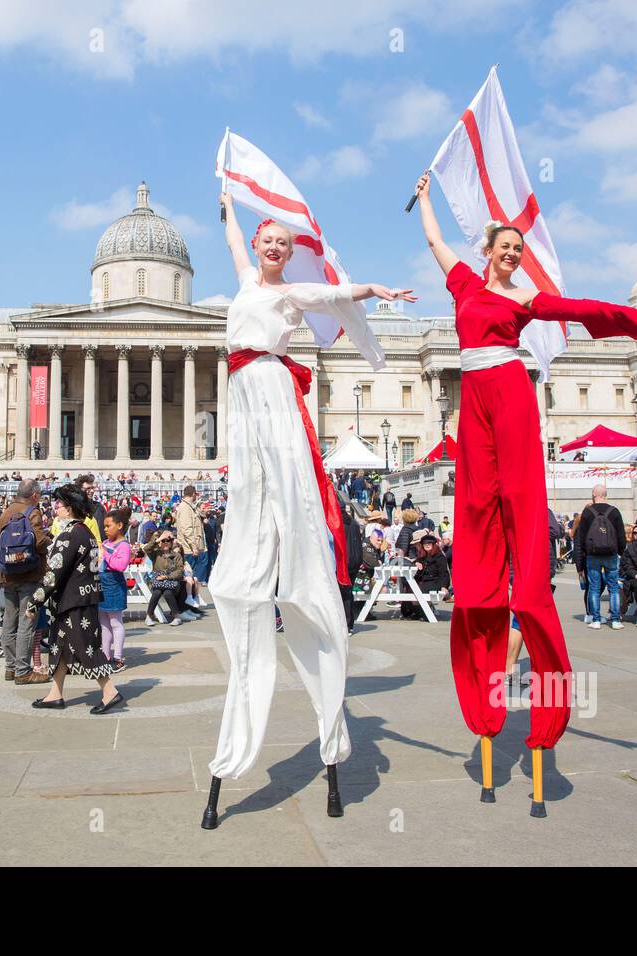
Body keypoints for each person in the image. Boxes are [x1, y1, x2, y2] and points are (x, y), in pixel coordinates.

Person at [414, 171, 637, 776]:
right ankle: (478, 589)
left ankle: (529, 593)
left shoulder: (523, 299)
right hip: (472, 396)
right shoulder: (464, 285)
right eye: (506, 246)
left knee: (521, 495)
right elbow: (435, 244)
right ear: (487, 251)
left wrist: (628, 318)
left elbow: (576, 308)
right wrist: (424, 200)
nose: (513, 253)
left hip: (508, 391)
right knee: (475, 499)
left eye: (519, 249)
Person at [202, 193, 411, 829]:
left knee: (285, 473)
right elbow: (235, 246)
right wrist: (227, 208)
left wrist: (376, 288)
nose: (270, 248)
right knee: (252, 483)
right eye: (266, 241)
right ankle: (258, 538)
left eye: (281, 245)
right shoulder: (243, 277)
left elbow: (334, 296)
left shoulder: (293, 294)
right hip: (243, 391)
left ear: (291, 255)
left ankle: (295, 544)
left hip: (267, 385)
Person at [23, 484, 123, 713]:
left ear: (68, 509)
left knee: (86, 647)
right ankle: (55, 694)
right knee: (60, 648)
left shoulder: (69, 535)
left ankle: (110, 691)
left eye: (59, 505)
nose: (56, 508)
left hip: (73, 601)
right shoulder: (86, 532)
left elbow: (54, 573)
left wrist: (35, 601)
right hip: (81, 598)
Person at [0, 480, 52, 685]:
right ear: (34, 495)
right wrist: (50, 541)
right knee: (27, 623)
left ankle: (10, 668)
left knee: (9, 623)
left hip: (8, 573)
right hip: (29, 574)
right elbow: (38, 542)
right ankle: (23, 670)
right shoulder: (32, 512)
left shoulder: (5, 513)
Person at [574, 484, 627, 630]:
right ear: (606, 494)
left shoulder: (588, 512)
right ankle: (616, 620)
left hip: (593, 555)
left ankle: (596, 619)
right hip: (611, 554)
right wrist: (621, 552)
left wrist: (582, 557)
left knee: (594, 588)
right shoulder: (614, 511)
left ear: (593, 494)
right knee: (614, 587)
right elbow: (621, 536)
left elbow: (582, 537)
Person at [100, 508, 133, 671]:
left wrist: (105, 553)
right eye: (104, 526)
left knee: (115, 622)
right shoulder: (106, 543)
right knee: (104, 624)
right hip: (102, 586)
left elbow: (120, 565)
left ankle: (118, 657)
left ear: (119, 525)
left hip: (114, 586)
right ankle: (105, 655)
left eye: (108, 526)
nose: (105, 529)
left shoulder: (124, 545)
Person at [143, 531, 192, 625]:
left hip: (172, 582)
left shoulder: (176, 556)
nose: (165, 543)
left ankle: (176, 617)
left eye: (168, 541)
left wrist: (167, 577)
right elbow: (146, 548)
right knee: (156, 593)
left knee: (168, 593)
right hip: (158, 582)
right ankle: (149, 616)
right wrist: (158, 539)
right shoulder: (156, 554)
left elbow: (180, 571)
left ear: (171, 543)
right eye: (163, 541)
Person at [174, 484, 207, 585]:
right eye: (195, 495)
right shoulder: (184, 508)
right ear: (193, 494)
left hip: (194, 546)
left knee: (194, 577)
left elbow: (202, 515)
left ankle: (192, 595)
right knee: (190, 577)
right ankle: (189, 597)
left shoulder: (190, 507)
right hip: (189, 548)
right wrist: (193, 546)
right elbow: (187, 529)